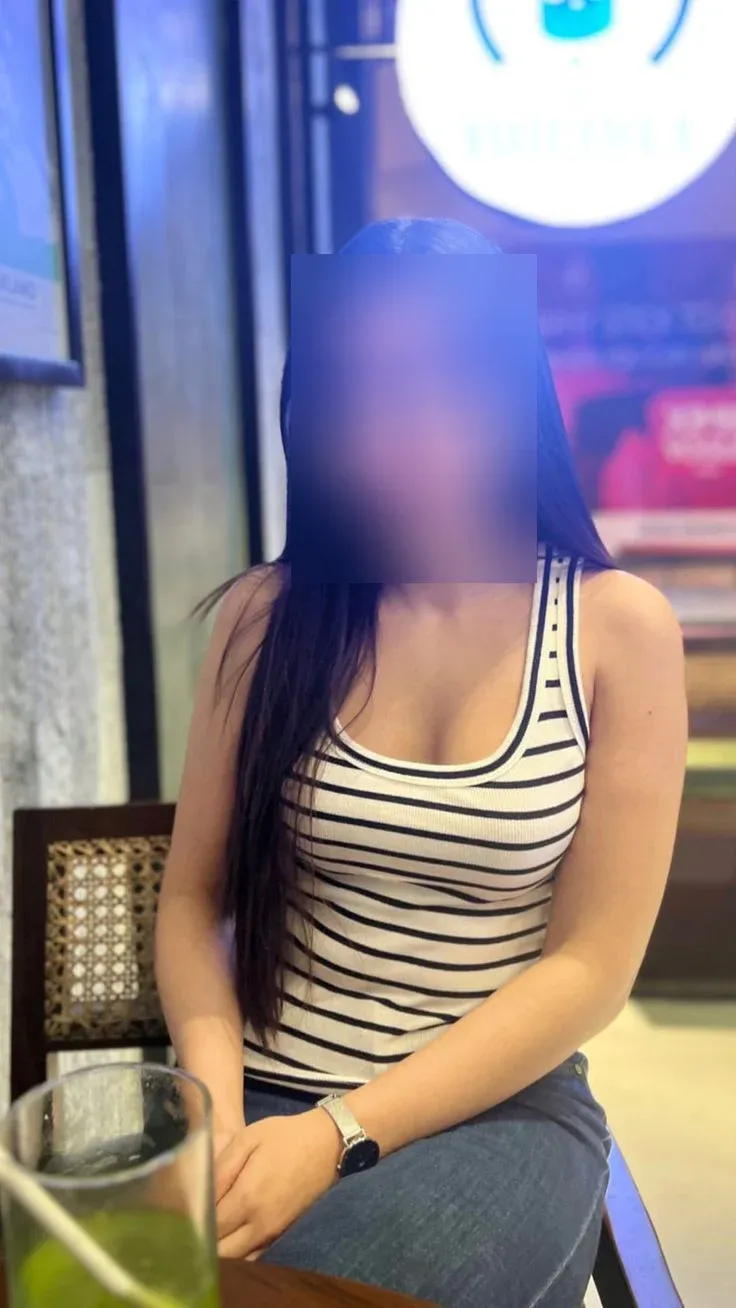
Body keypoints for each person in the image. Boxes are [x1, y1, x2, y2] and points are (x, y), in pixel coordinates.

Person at [155, 218, 687, 1308]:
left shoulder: (614, 627)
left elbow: (592, 965)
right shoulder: (267, 616)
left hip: (492, 1110)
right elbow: (197, 900)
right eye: (363, 389)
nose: (410, 432)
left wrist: (339, 1132)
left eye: (454, 380)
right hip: (253, 1093)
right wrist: (215, 1109)